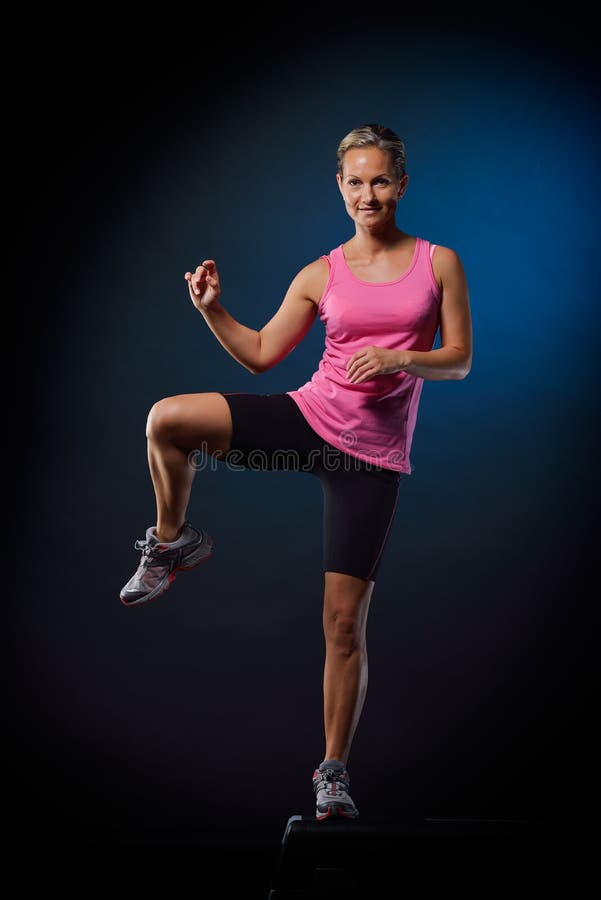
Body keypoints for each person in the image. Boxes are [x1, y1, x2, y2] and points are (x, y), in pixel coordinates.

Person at [119, 124, 472, 821]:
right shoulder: (322, 271)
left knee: (342, 626)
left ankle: (332, 773)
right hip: (308, 424)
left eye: (379, 181)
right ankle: (172, 541)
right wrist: (212, 309)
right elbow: (258, 354)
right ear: (339, 189)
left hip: (369, 460)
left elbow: (458, 358)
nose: (366, 194)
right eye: (354, 182)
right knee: (167, 420)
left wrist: (402, 359)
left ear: (400, 185)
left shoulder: (438, 263)